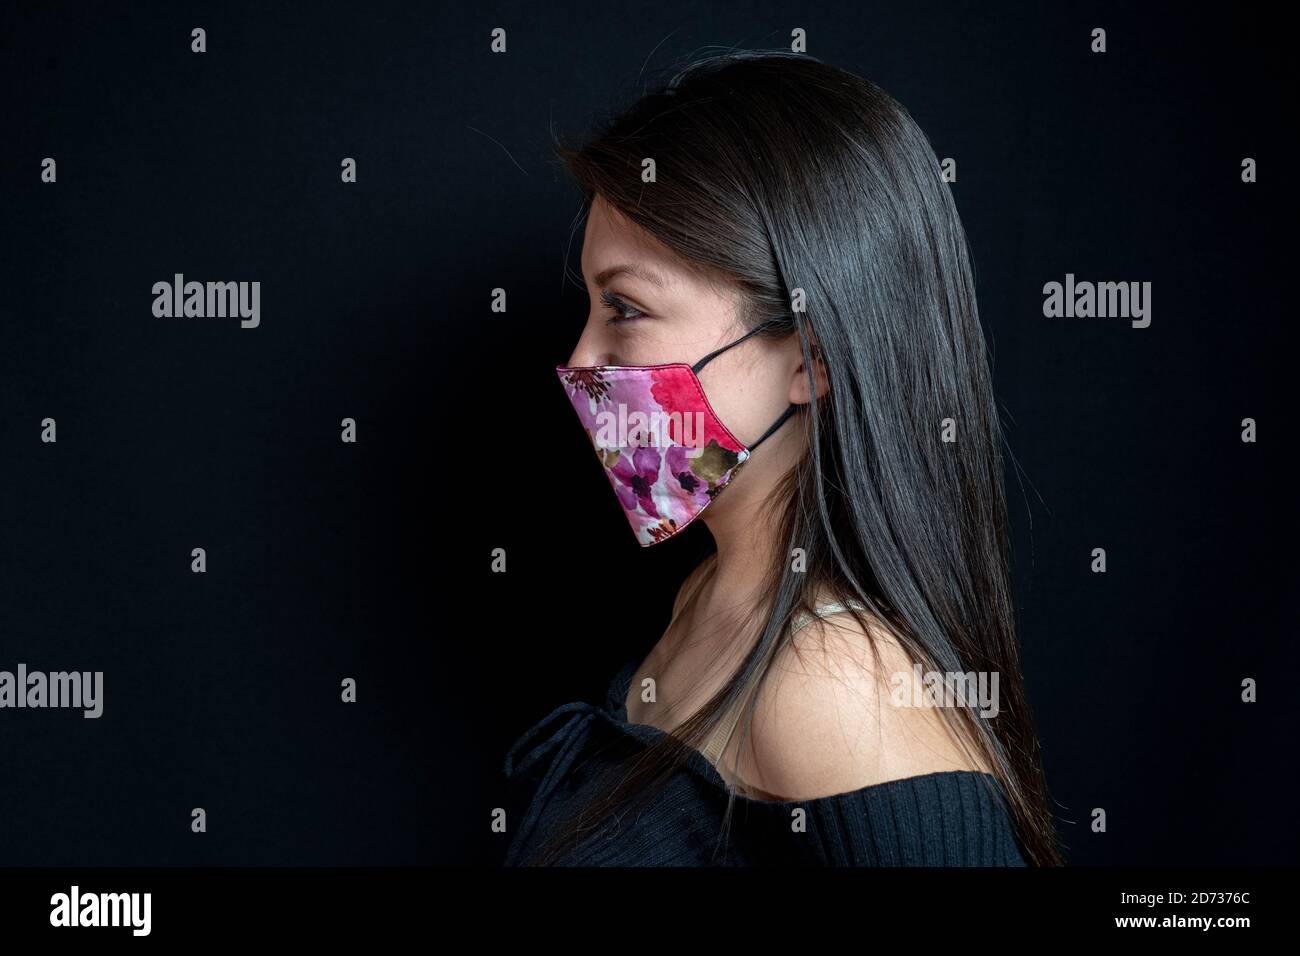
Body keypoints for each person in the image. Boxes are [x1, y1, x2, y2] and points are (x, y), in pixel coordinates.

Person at [502, 49, 1060, 866]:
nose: (581, 358)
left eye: (626, 308)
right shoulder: (708, 590)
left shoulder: (835, 691)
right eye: (590, 303)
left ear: (810, 355)